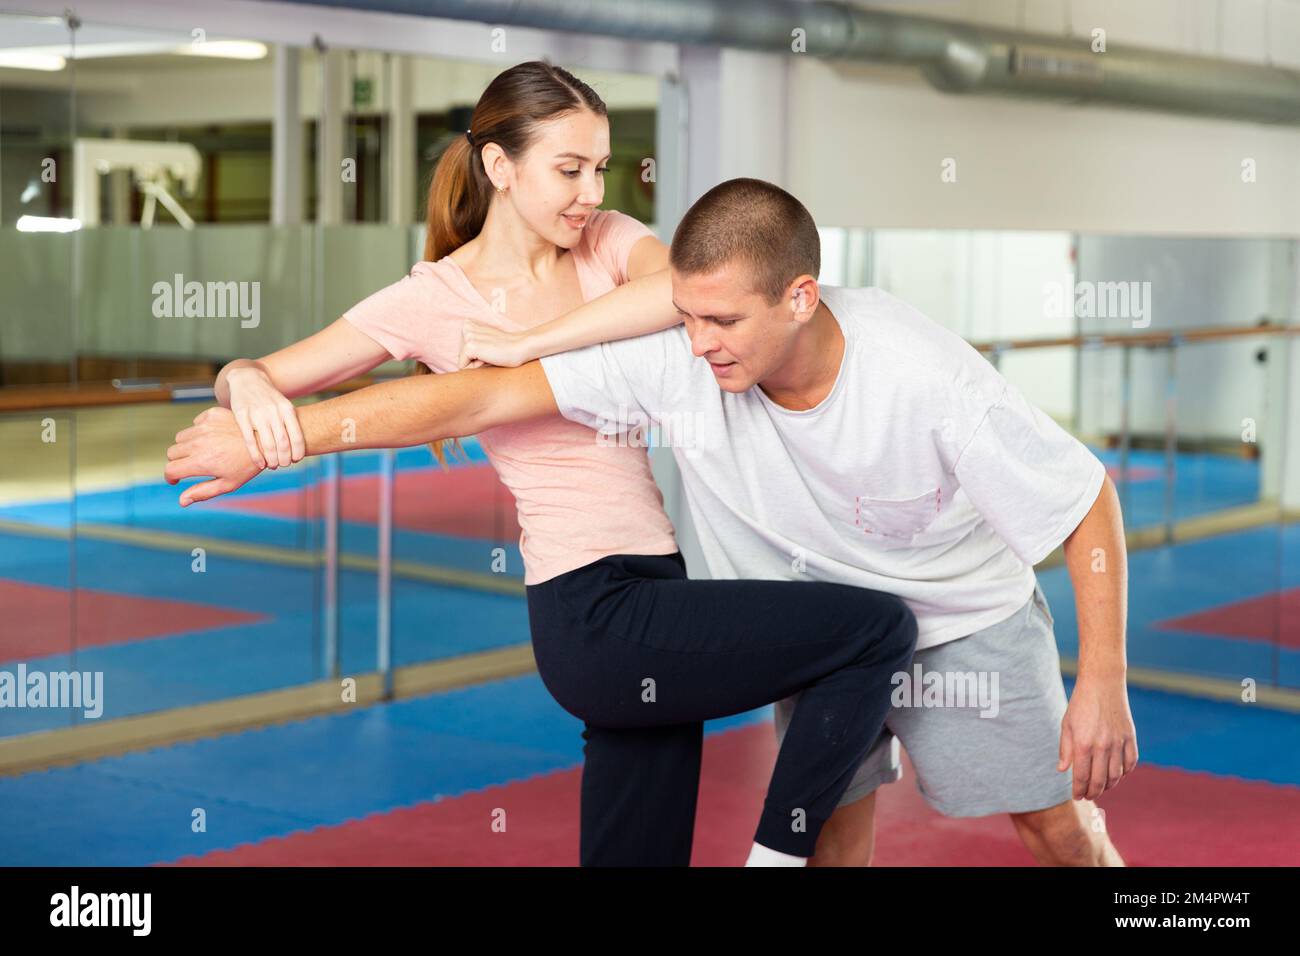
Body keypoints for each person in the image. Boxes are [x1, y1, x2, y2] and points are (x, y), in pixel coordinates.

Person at [169, 176, 1138, 867]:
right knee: (830, 838)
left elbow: (1083, 496)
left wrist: (1101, 680)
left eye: (723, 321)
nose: (698, 342)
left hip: (962, 615)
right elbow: (474, 398)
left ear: (800, 297)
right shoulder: (680, 354)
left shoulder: (921, 376)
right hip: (828, 630)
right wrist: (278, 436)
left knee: (1049, 825)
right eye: (685, 314)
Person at [190, 62, 916, 867]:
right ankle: (778, 859)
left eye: (600, 168)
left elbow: (678, 290)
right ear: (500, 167)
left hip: (657, 580)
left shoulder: (606, 245)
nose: (590, 193)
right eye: (569, 170)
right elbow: (257, 372)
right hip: (590, 607)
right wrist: (245, 381)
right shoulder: (434, 296)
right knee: (874, 630)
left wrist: (528, 343)